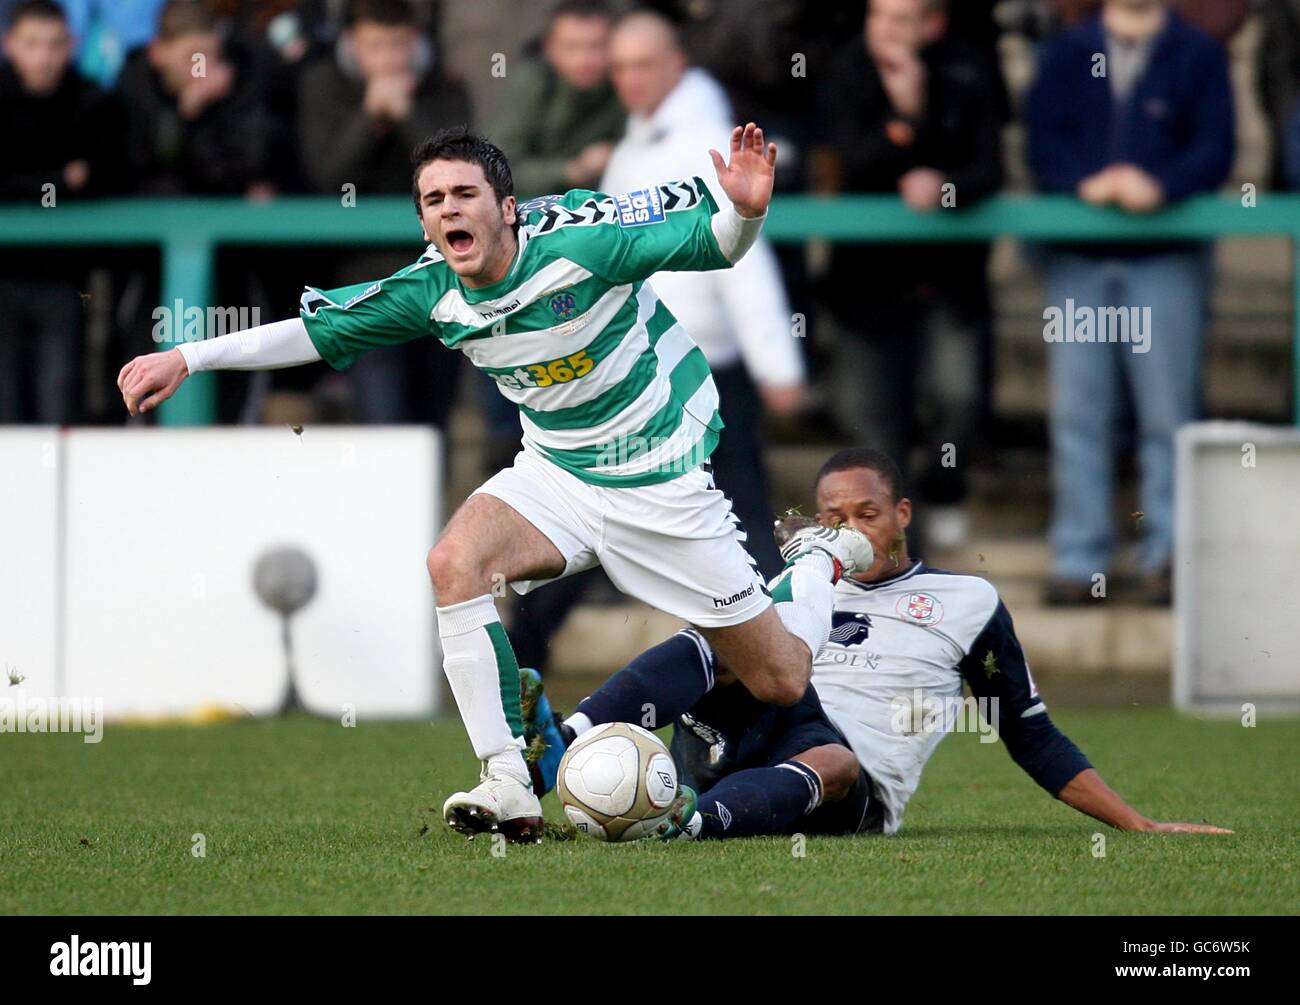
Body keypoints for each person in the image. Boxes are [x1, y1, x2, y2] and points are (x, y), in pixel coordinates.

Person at [116, 123, 876, 844]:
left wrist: (744, 212)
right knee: (453, 563)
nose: (450, 209)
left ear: (507, 208)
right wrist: (189, 358)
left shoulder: (585, 238)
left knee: (779, 678)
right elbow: (317, 329)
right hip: (559, 475)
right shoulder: (431, 290)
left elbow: (711, 242)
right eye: (434, 200)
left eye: (465, 194)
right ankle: (509, 777)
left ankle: (815, 561)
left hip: (662, 480)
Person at [524, 449, 1233, 840]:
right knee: (718, 634)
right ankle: (564, 741)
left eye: (866, 514)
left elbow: (1028, 732)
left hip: (846, 779)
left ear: (902, 516)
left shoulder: (967, 601)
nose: (849, 529)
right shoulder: (798, 583)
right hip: (742, 732)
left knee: (830, 757)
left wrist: (1136, 822)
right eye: (832, 516)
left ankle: (689, 824)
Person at [1026, 0, 1234, 605]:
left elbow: (1216, 147)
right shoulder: (1066, 50)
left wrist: (1162, 186)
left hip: (1165, 255)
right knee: (1077, 416)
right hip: (1078, 256)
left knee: (1168, 413)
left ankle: (1167, 555)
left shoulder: (1197, 52)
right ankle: (1078, 558)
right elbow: (1042, 142)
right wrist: (1083, 185)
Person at [812, 0, 1003, 549]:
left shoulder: (968, 70)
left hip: (949, 276)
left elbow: (989, 171)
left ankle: (945, 489)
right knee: (872, 421)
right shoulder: (845, 69)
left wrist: (945, 185)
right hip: (865, 281)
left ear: (934, 24)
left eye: (902, 19)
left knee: (958, 398)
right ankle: (901, 545)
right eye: (878, 17)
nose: (887, 31)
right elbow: (849, 164)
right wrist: (907, 118)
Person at [298, 0, 472, 426]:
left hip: (439, 271)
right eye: (375, 45)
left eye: (398, 45)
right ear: (352, 43)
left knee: (436, 416)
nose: (389, 58)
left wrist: (407, 114)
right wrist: (369, 119)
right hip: (364, 277)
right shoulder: (323, 83)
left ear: (415, 41)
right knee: (383, 418)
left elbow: (457, 170)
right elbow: (328, 178)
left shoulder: (444, 83)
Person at [0, 0, 123, 423]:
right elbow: (72, 181)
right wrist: (54, 181)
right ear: (9, 44)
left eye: (54, 44)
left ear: (71, 45)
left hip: (65, 280)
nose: (43, 57)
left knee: (59, 400)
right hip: (5, 277)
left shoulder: (91, 99)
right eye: (32, 44)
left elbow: (107, 177)